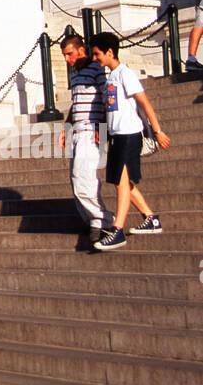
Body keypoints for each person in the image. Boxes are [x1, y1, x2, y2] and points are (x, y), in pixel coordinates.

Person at [89, 34, 171, 250]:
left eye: (97, 53)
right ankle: (151, 218)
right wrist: (105, 135)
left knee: (121, 182)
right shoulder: (110, 78)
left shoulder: (126, 74)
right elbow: (111, 111)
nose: (95, 58)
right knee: (121, 180)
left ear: (110, 52)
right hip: (116, 135)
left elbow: (145, 103)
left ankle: (117, 230)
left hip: (130, 134)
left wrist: (158, 130)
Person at [58, 34, 114, 237]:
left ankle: (104, 219)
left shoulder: (98, 68)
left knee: (84, 179)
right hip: (77, 130)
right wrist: (66, 128)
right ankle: (93, 220)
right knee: (76, 180)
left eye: (69, 54)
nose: (67, 59)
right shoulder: (75, 73)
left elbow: (107, 98)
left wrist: (103, 127)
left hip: (92, 130)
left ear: (81, 50)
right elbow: (77, 102)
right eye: (64, 55)